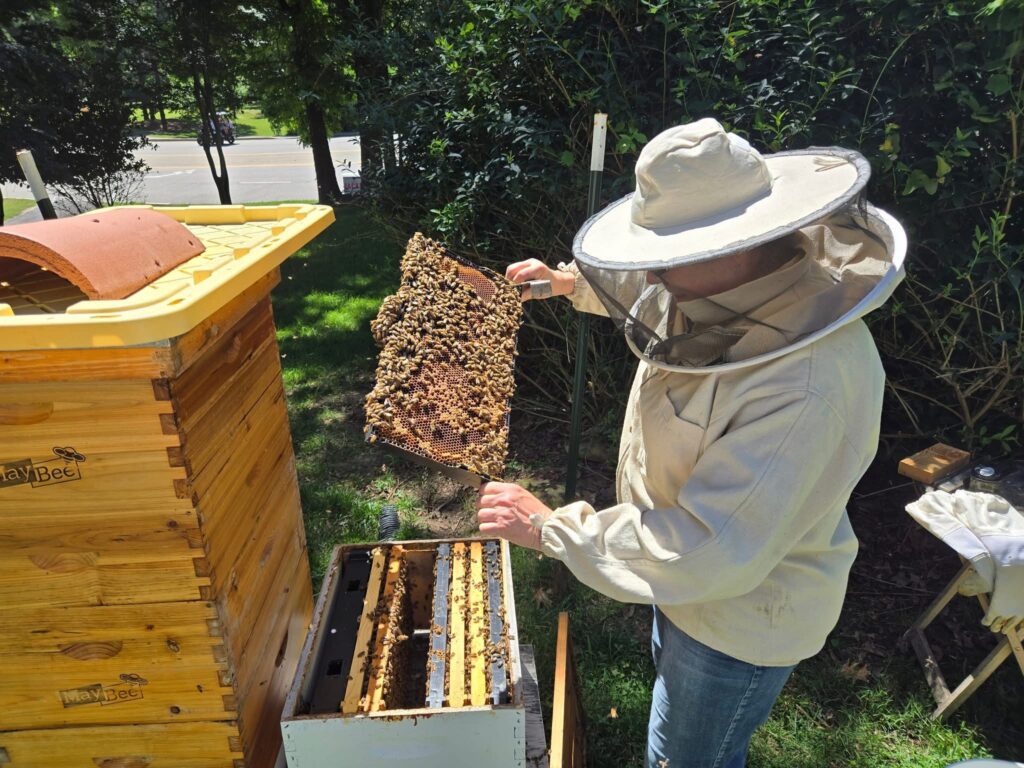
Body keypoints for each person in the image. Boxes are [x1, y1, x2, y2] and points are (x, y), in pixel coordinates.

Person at [476, 118, 906, 768]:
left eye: (669, 254)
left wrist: (549, 528)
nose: (652, 270)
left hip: (738, 619)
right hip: (687, 592)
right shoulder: (725, 284)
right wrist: (566, 283)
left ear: (740, 241)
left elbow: (705, 549)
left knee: (683, 758)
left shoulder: (804, 387)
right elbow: (653, 293)